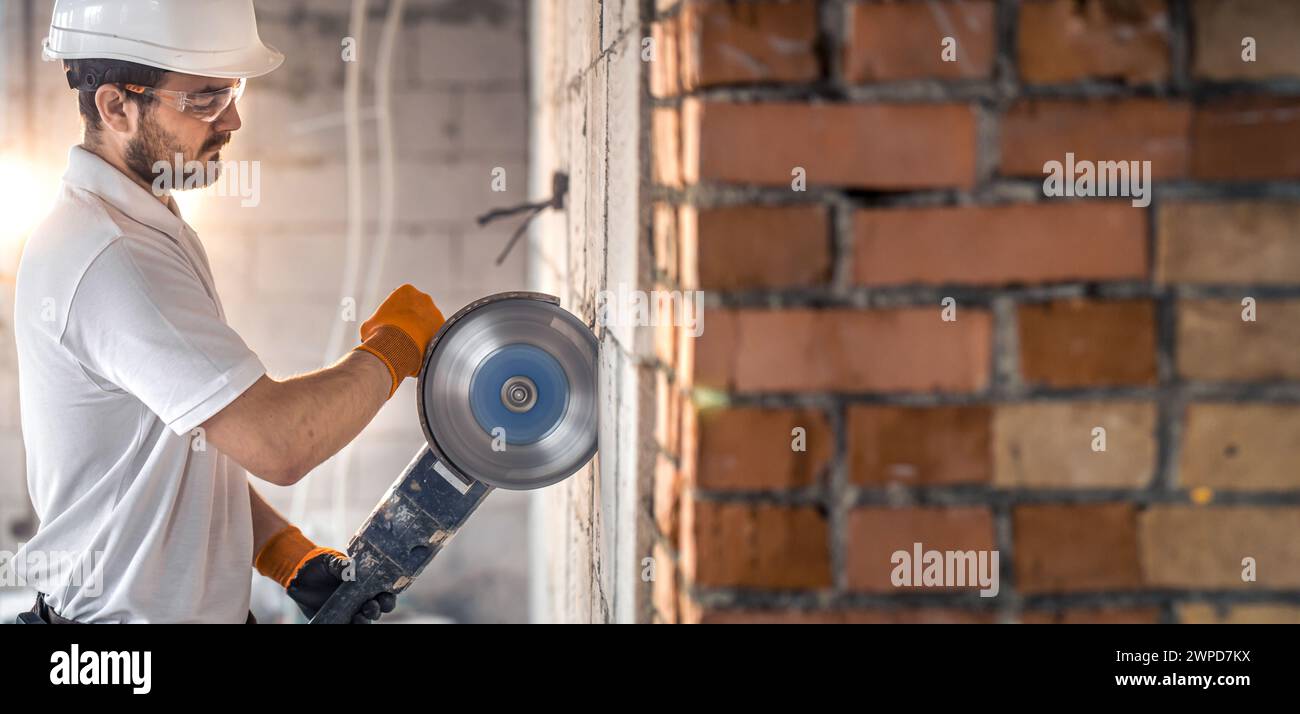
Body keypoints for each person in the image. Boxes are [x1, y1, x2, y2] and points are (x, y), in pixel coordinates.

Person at [12, 0, 445, 623]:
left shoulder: (142, 222)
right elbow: (278, 442)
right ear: (115, 107)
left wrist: (282, 552)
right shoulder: (114, 258)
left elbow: (179, 451)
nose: (234, 118)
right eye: (205, 99)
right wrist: (394, 350)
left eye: (232, 90)